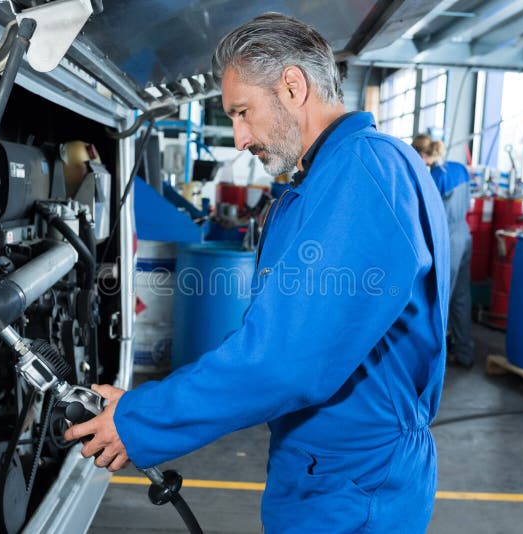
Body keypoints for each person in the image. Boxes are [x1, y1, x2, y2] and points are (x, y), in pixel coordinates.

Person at [66, 13, 449, 532]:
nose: (240, 137)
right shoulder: (324, 181)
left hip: (355, 485)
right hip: (325, 469)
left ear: (293, 86)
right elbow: (271, 330)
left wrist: (142, 422)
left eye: (243, 112)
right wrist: (143, 403)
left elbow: (287, 360)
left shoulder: (363, 173)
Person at [413, 134, 474, 368]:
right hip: (465, 235)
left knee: (440, 298)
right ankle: (464, 352)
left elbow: (430, 214)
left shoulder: (436, 177)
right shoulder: (459, 168)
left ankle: (434, 358)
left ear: (422, 155)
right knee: (461, 296)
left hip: (448, 240)